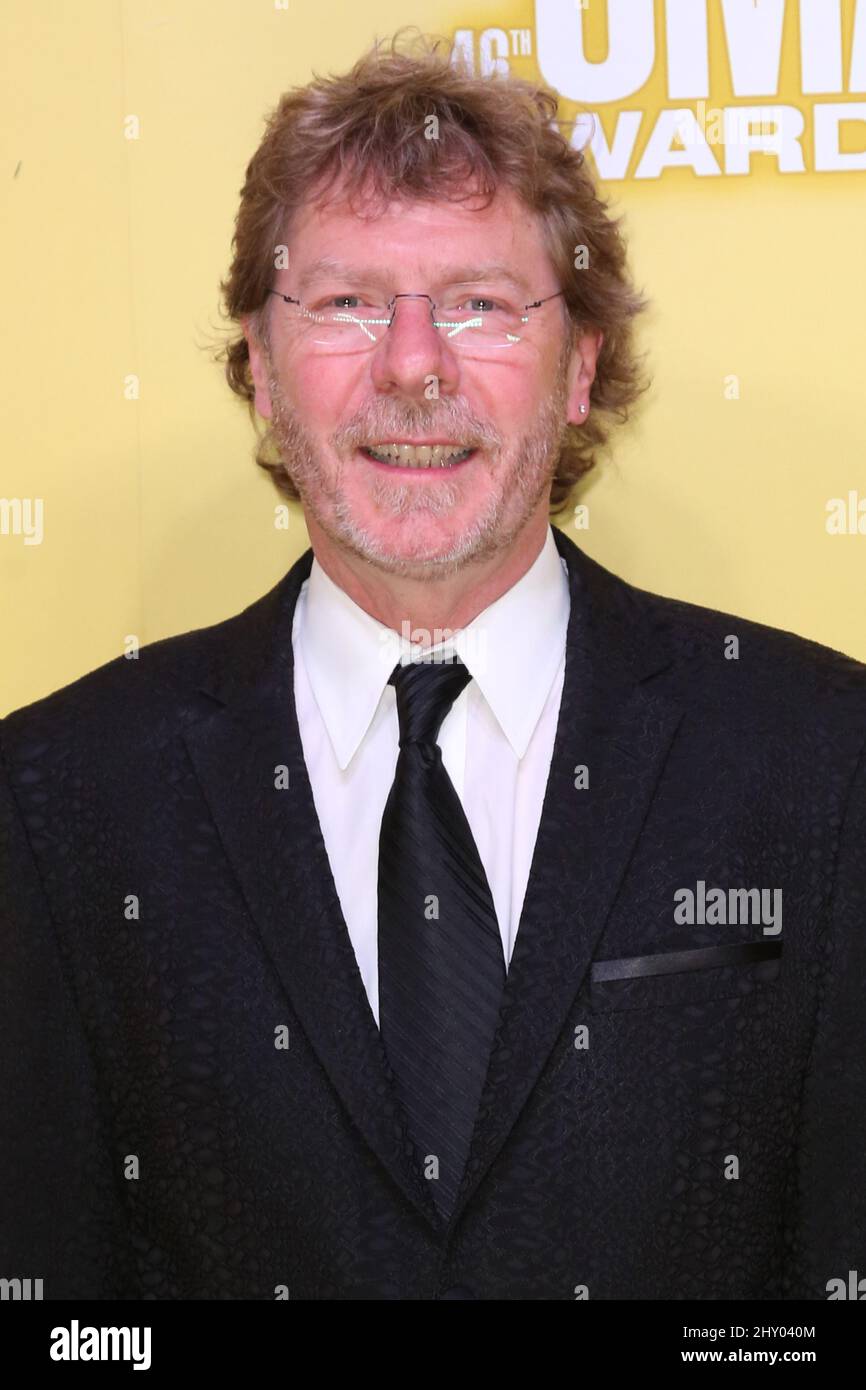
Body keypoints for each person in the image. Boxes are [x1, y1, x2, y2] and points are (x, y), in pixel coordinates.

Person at [1, 32, 864, 1302]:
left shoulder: (819, 760)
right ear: (257, 368)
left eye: (477, 303)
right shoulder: (56, 797)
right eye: (347, 303)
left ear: (576, 367)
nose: (413, 366)